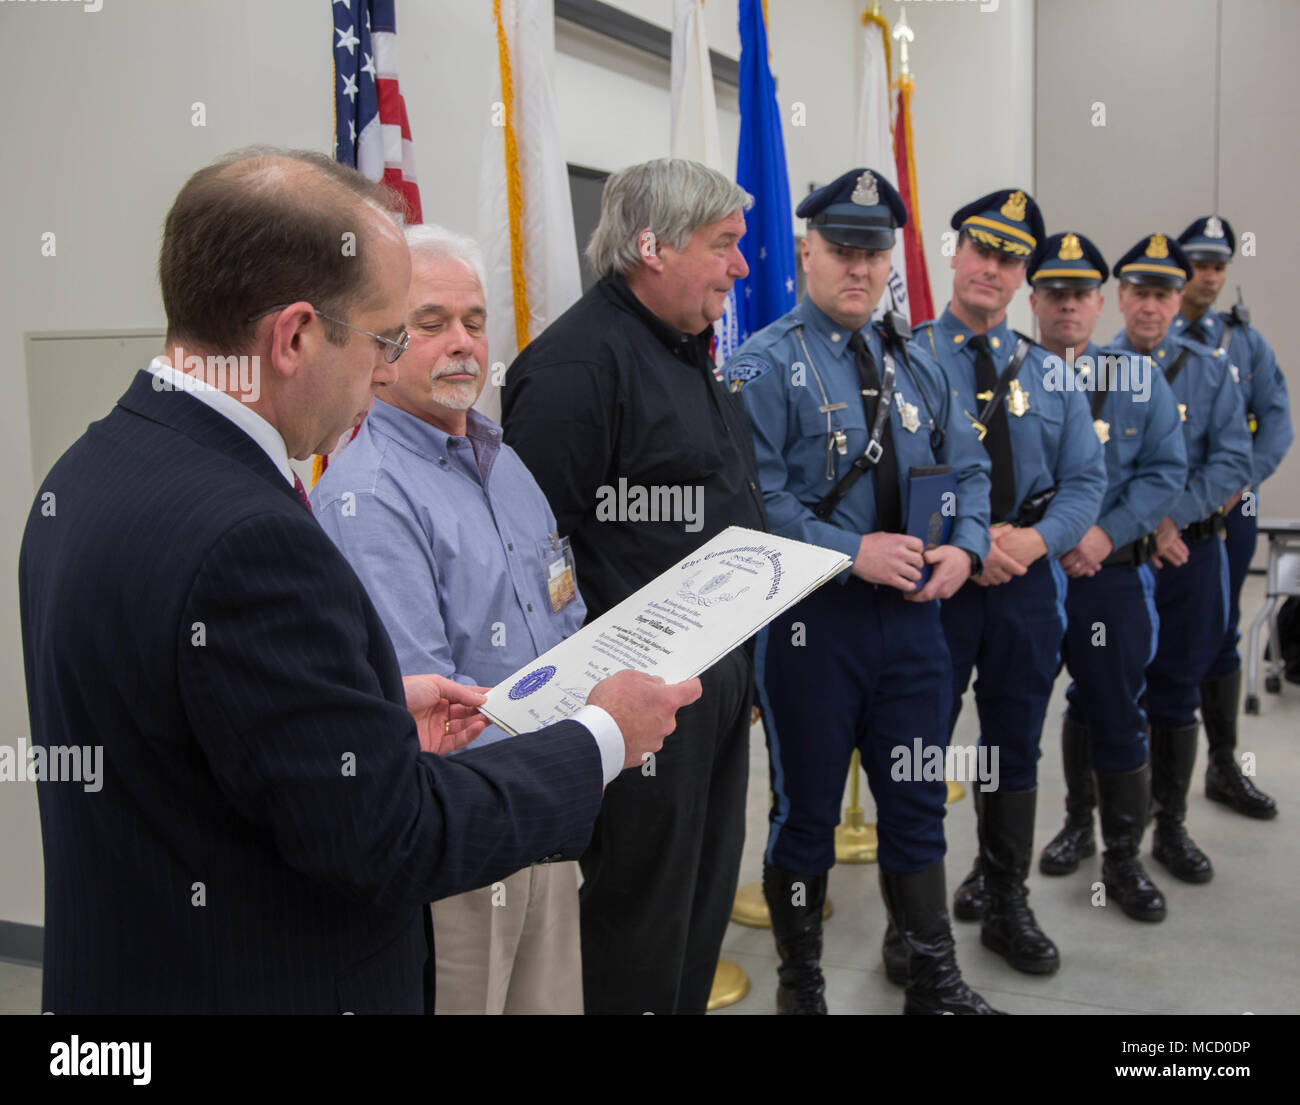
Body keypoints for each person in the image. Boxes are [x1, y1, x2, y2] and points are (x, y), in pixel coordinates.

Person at [18, 148, 700, 1015]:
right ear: (295, 336)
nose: (387, 370)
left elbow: (205, 737)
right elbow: (389, 836)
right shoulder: (254, 535)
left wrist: (368, 706)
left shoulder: (85, 470)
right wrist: (603, 733)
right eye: (385, 337)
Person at [723, 168, 997, 1015]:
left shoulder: (920, 362)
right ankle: (802, 987)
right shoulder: (761, 366)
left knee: (915, 803)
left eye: (874, 254)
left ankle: (934, 979)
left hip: (917, 624)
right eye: (842, 250)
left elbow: (973, 467)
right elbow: (755, 504)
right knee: (804, 815)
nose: (860, 269)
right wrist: (852, 554)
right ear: (807, 251)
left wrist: (967, 547)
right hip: (813, 627)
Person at [502, 159, 767, 1015]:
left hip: (713, 680)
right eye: (724, 245)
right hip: (636, 697)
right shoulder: (576, 369)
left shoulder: (691, 347)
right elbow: (534, 552)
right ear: (652, 248)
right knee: (637, 919)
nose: (742, 267)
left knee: (697, 903)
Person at [312, 224, 588, 1014]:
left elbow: (564, 613)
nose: (461, 342)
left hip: (549, 810)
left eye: (474, 320)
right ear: (382, 344)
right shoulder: (368, 495)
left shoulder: (506, 462)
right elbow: (428, 713)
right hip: (466, 841)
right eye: (430, 323)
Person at [913, 190, 1106, 976]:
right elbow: (906, 468)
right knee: (919, 746)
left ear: (1023, 274)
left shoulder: (1051, 375)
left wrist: (1029, 541)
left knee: (1013, 744)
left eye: (1008, 257)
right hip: (939, 580)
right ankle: (912, 920)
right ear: (954, 254)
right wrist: (962, 540)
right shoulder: (908, 356)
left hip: (1022, 582)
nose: (990, 267)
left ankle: (1004, 898)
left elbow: (1084, 485)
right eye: (980, 249)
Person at [1028, 232, 1186, 921]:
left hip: (1105, 575)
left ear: (1101, 304)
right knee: (1018, 718)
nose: (1067, 306)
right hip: (1030, 577)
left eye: (1080, 295)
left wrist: (1103, 533)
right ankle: (1067, 828)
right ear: (1033, 300)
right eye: (1054, 293)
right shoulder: (1007, 372)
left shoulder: (1138, 377)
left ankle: (1124, 859)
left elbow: (1164, 472)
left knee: (1113, 710)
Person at [1106, 233, 1253, 885]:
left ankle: (1169, 827)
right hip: (1110, 560)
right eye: (1138, 292)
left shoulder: (1212, 369)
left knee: (1175, 691)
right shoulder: (1086, 367)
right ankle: (1092, 826)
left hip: (1185, 558)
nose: (1150, 306)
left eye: (1163, 294)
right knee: (1101, 692)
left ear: (1177, 298)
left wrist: (1171, 516)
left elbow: (1233, 461)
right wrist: (1133, 521)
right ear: (1120, 296)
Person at [1171, 216, 1292, 819]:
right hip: (1158, 511)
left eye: (1220, 265)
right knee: (1146, 634)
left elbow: (1276, 422)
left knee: (1221, 629)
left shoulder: (1245, 341)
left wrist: (1241, 481)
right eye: (1200, 264)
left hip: (1229, 507)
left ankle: (1223, 767)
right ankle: (1146, 782)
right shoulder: (1151, 332)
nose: (1211, 276)